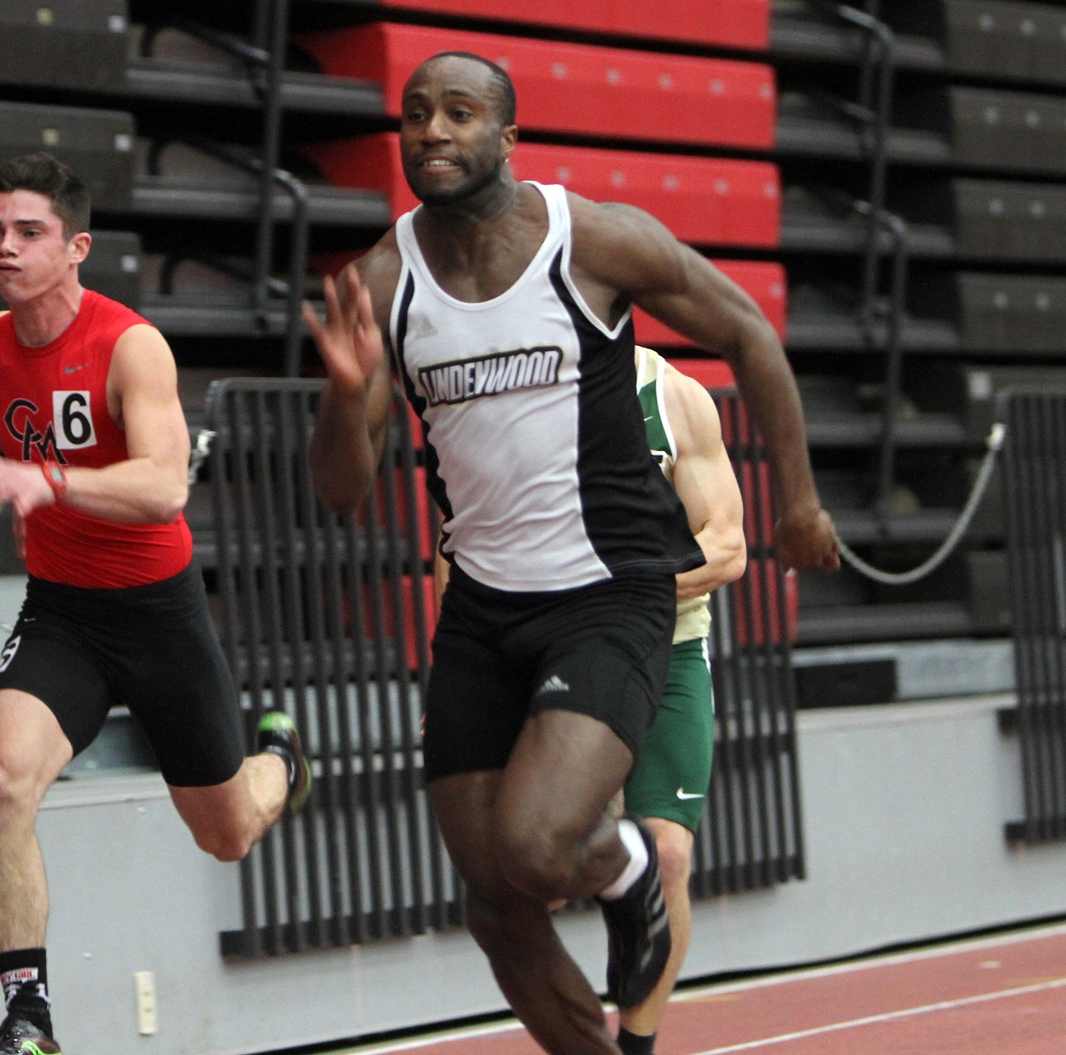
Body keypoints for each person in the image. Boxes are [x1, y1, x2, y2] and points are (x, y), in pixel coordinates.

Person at [304, 52, 838, 1055]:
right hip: (481, 610)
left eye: (459, 114)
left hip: (607, 591)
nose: (432, 132)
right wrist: (345, 389)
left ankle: (631, 868)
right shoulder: (382, 281)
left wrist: (798, 502)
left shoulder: (586, 238)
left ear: (507, 136)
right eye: (416, 114)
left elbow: (747, 333)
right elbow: (340, 488)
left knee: (536, 844)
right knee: (494, 903)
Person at [0, 152, 310, 1055]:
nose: (7, 247)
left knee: (228, 834)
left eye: (29, 232)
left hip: (158, 613)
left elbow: (162, 488)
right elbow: (23, 467)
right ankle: (29, 1020)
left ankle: (281, 762)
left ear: (76, 246)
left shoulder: (130, 343)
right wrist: (34, 504)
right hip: (63, 614)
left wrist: (47, 479)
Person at [615, 347, 748, 1055]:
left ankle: (635, 1045)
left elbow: (726, 545)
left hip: (667, 651)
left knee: (668, 856)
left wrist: (633, 591)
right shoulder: (526, 391)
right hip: (560, 651)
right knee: (534, 865)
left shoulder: (672, 397)